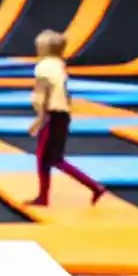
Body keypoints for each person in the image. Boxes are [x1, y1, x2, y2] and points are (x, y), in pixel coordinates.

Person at [27, 30, 106, 207]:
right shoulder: (59, 64)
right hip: (61, 115)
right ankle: (45, 196)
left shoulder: (44, 66)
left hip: (52, 115)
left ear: (45, 48)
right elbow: (64, 93)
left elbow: (43, 92)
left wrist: (40, 118)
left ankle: (93, 187)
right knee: (50, 158)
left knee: (48, 158)